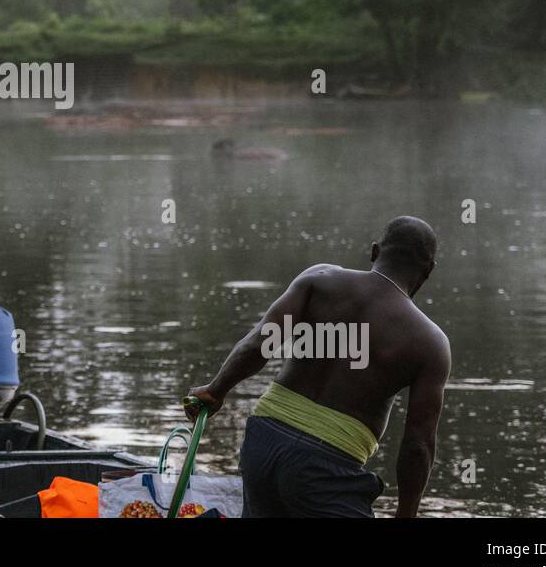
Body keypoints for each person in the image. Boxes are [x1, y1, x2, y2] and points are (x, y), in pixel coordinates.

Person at [186, 216, 450, 517]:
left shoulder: (319, 278)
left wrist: (216, 390)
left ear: (375, 252)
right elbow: (418, 444)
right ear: (428, 271)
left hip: (263, 441)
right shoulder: (430, 342)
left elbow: (259, 344)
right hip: (327, 466)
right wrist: (407, 513)